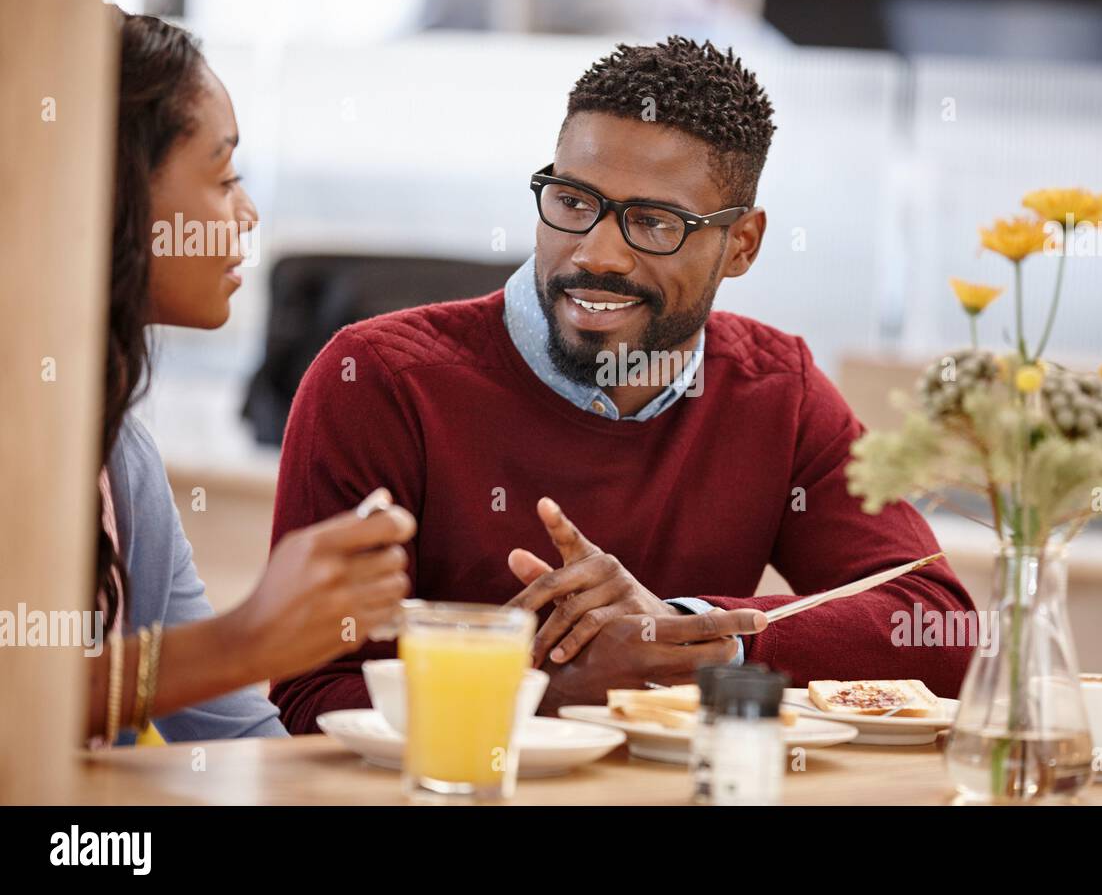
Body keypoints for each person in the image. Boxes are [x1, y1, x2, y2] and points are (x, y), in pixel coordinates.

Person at [270, 37, 975, 732]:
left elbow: (936, 628)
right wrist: (545, 689)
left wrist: (684, 634)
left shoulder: (777, 390)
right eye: (574, 202)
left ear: (743, 246)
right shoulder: (378, 381)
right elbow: (307, 696)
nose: (598, 254)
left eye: (654, 222)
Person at [85, 11, 416, 745]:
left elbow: (232, 737)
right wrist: (248, 638)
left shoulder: (118, 455)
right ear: (109, 190)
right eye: (224, 174)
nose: (248, 211)